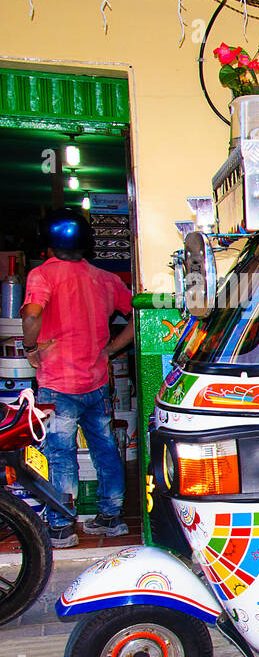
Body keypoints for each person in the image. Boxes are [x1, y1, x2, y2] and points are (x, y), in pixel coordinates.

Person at [21, 207, 134, 548]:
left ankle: (61, 526)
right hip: (96, 381)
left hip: (58, 384)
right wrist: (111, 349)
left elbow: (31, 314)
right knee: (105, 449)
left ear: (48, 241)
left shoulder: (42, 276)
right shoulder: (105, 279)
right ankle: (111, 519)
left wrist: (30, 348)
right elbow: (138, 316)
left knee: (60, 454)